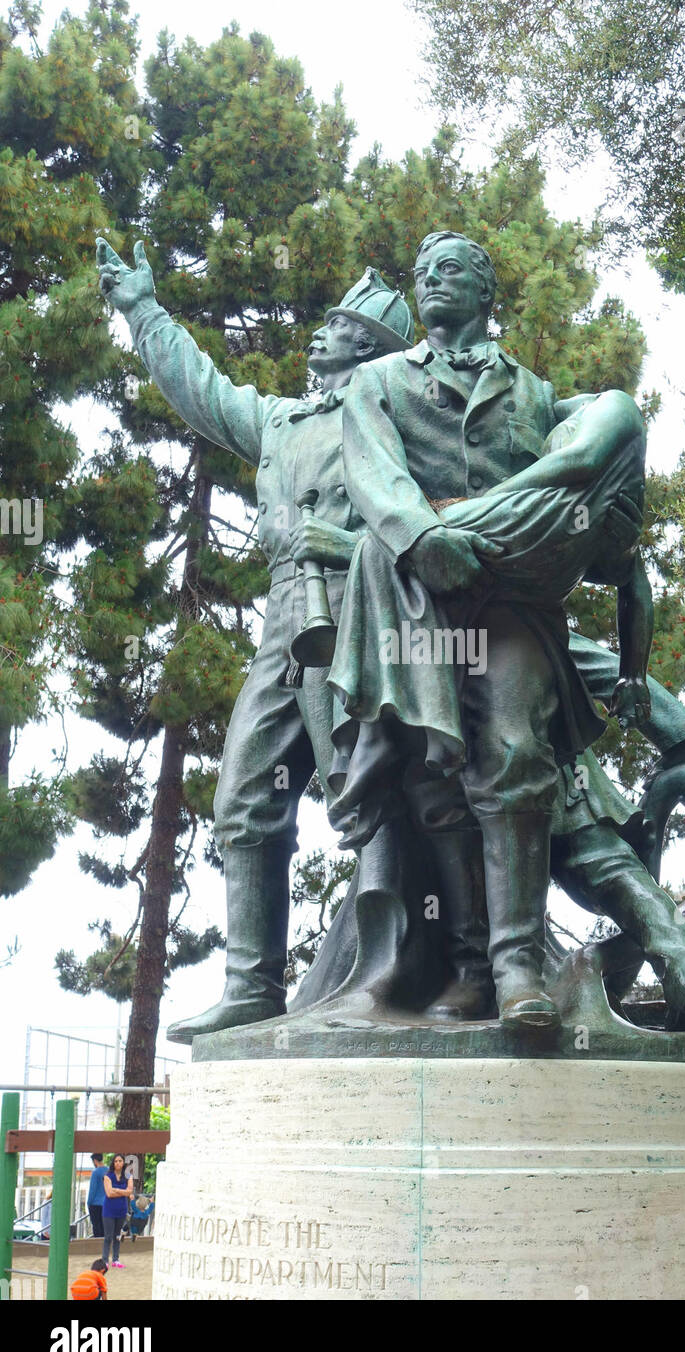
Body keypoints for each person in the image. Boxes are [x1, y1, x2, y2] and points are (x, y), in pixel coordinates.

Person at [336, 228, 685, 1029]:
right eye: (422, 272)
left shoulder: (539, 397)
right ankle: (473, 966)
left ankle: (518, 969)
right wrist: (422, 535)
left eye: (452, 270)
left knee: (514, 753)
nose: (432, 280)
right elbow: (374, 475)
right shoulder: (375, 382)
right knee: (435, 778)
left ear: (486, 294)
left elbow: (608, 512)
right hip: (416, 594)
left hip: (512, 607)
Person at [96, 240, 414, 1042]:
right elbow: (200, 389)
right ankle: (251, 988)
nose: (320, 332)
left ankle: (398, 967)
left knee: (367, 789)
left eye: (338, 325)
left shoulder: (395, 409)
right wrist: (142, 308)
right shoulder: (281, 419)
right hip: (286, 617)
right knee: (245, 792)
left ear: (370, 345)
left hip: (365, 609)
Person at [102, 1153, 132, 1269]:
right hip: (109, 1210)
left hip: (121, 1210)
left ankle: (116, 1259)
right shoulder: (108, 1176)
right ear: (113, 1163)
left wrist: (116, 1190)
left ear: (123, 1162)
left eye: (120, 1161)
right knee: (108, 1236)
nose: (118, 1163)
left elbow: (129, 1192)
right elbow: (109, 1193)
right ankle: (105, 1260)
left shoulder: (128, 1175)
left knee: (117, 1235)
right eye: (116, 1161)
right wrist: (122, 1192)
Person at [87, 1152, 107, 1238]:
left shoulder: (95, 1173)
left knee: (96, 1227)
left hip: (95, 1204)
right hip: (107, 1203)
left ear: (95, 1161)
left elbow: (93, 1189)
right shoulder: (109, 1170)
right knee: (105, 1227)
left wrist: (89, 1202)